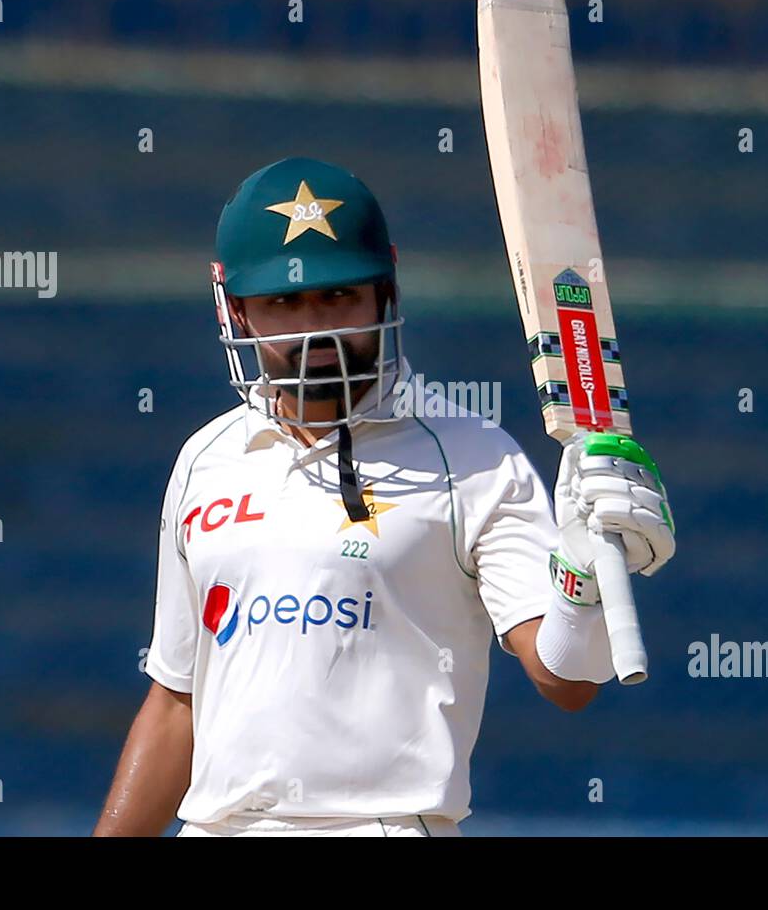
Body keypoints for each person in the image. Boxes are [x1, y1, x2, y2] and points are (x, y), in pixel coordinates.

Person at [93, 157, 675, 837]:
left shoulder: (472, 457)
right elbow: (174, 705)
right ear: (236, 310)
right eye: (284, 303)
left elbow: (569, 681)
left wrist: (579, 578)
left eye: (340, 297)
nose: (315, 331)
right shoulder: (206, 460)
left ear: (386, 289)